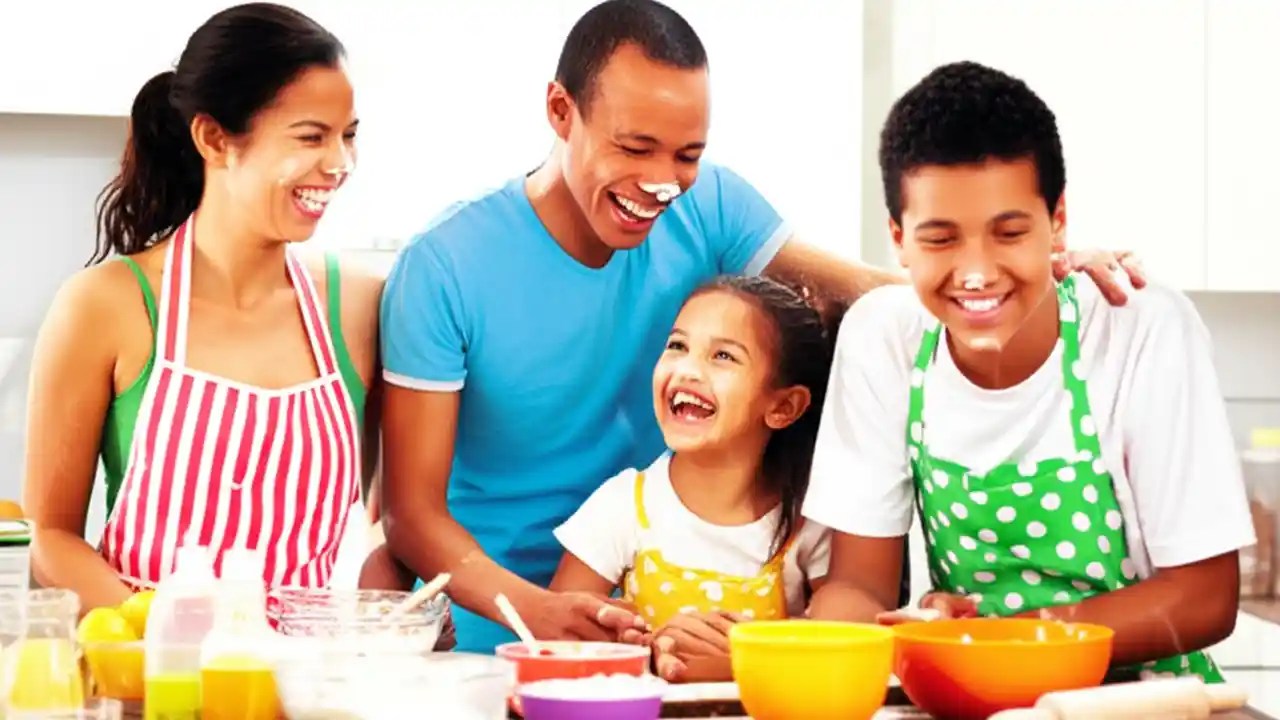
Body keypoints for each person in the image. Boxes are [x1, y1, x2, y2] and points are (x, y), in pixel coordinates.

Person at [376, 0, 1143, 654]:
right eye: (634, 147)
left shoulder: (711, 206)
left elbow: (886, 296)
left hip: (681, 644)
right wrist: (537, 612)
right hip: (505, 637)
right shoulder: (444, 268)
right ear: (559, 111)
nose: (661, 182)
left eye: (686, 154)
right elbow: (412, 515)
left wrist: (1037, 269)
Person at [804, 61, 1253, 682]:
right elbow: (857, 584)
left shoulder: (1140, 326)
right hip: (970, 692)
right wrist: (868, 636)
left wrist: (1001, 640)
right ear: (898, 237)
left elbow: (1204, 598)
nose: (977, 273)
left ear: (1058, 220)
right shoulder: (884, 337)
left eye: (1010, 232)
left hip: (1143, 701)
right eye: (939, 240)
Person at [24, 3, 383, 607]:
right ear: (215, 139)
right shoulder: (105, 305)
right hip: (150, 681)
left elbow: (390, 524)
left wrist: (381, 620)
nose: (340, 164)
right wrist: (161, 637)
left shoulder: (361, 306)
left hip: (305, 683)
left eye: (348, 136)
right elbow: (51, 537)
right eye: (311, 137)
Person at [550, 276, 836, 682]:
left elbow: (843, 643)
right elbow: (556, 639)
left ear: (784, 407)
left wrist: (746, 651)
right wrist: (648, 650)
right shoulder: (624, 505)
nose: (687, 369)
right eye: (677, 346)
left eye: (723, 356)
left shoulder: (810, 520)